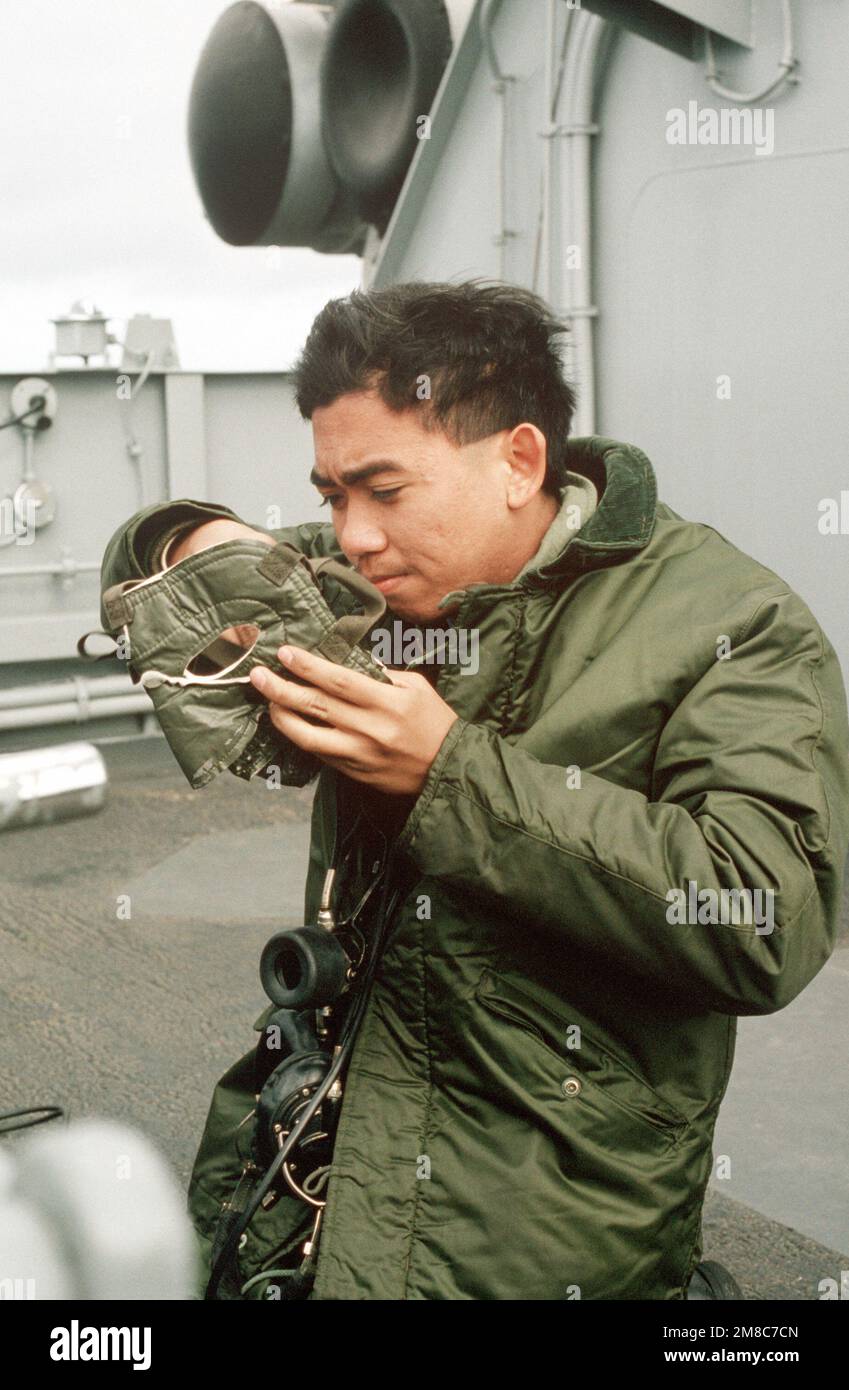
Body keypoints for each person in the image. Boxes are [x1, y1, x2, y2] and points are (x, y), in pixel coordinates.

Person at [99, 279, 849, 1300]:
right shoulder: (385, 581)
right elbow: (147, 569)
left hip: (541, 1237)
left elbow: (768, 912)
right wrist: (192, 544)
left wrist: (450, 774)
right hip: (312, 1170)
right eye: (330, 495)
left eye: (384, 489)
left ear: (520, 460)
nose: (351, 534)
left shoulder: (734, 621)